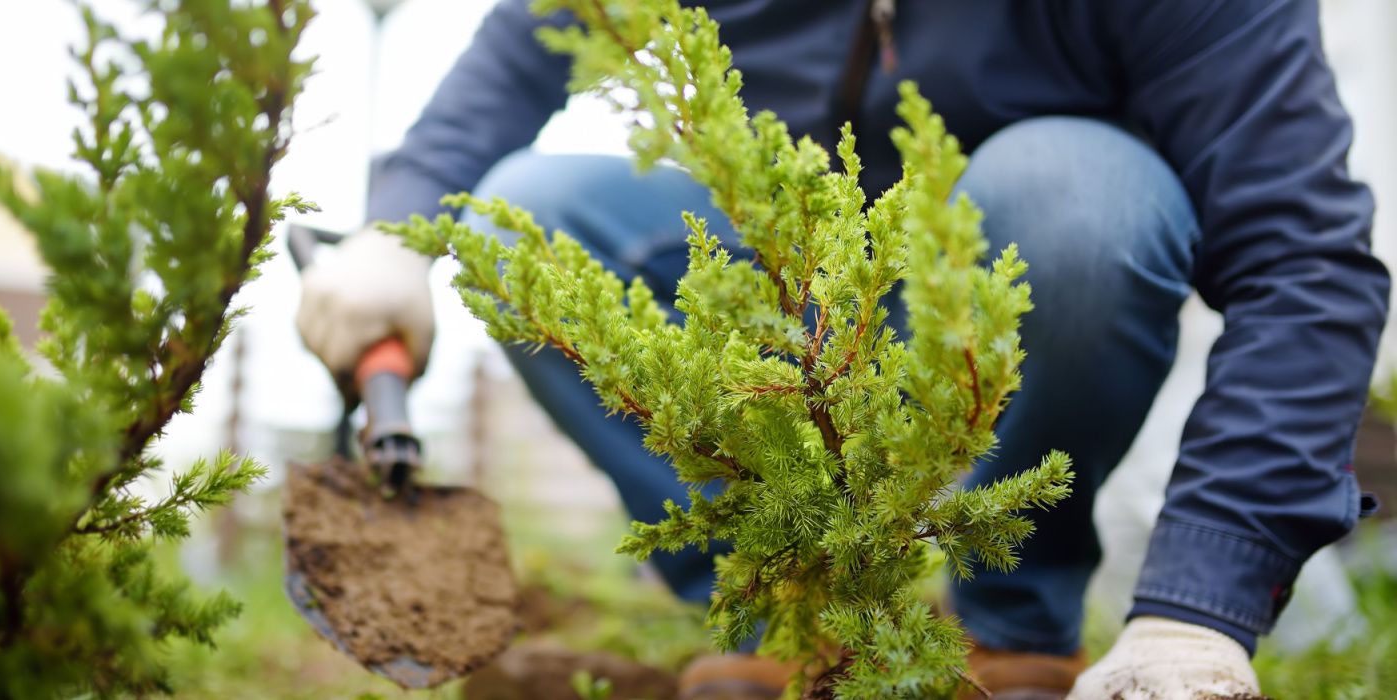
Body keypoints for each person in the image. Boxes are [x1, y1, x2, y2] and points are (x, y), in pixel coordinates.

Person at [297, 1, 1388, 697]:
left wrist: (1197, 608)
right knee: (511, 222)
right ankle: (787, 610)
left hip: (1012, 301)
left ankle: (1012, 624)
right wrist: (396, 223)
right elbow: (521, 47)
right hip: (794, 308)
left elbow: (1302, 260)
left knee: (1073, 197)